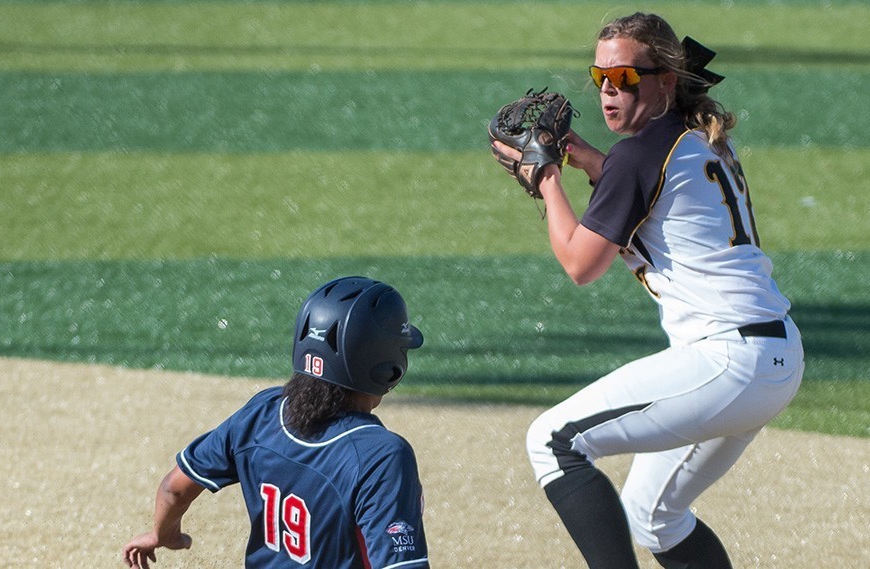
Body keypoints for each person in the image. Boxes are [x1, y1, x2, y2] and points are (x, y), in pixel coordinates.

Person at [491, 12, 805, 569]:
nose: (610, 91)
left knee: (554, 440)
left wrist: (546, 179)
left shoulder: (640, 156)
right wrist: (576, 157)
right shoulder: (686, 140)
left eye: (627, 79)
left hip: (727, 358)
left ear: (663, 80)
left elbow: (580, 264)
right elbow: (635, 188)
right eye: (601, 78)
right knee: (653, 513)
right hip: (773, 359)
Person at [122, 276, 430, 569]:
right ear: (386, 363)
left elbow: (174, 488)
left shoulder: (265, 412)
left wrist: (163, 535)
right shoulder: (380, 455)